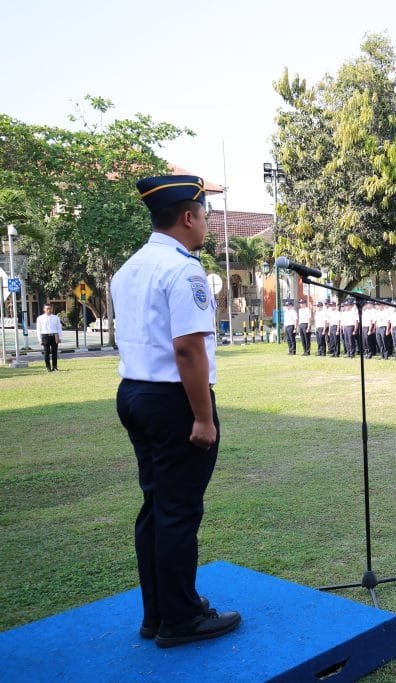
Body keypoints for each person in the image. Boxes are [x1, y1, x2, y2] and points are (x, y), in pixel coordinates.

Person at [112, 175, 240, 648]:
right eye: (205, 216)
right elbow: (188, 350)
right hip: (173, 400)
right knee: (179, 511)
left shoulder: (128, 269)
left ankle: (158, 613)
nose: (207, 224)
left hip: (135, 392)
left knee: (156, 506)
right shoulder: (184, 271)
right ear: (188, 217)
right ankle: (182, 619)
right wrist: (203, 418)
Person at [35, 304, 62, 372]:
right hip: (45, 336)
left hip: (54, 335)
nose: (49, 310)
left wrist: (59, 337)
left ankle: (55, 367)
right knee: (46, 352)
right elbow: (38, 329)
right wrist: (39, 339)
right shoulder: (40, 318)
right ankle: (48, 367)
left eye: (50, 309)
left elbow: (59, 328)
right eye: (47, 309)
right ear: (44, 309)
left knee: (54, 352)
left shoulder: (56, 317)